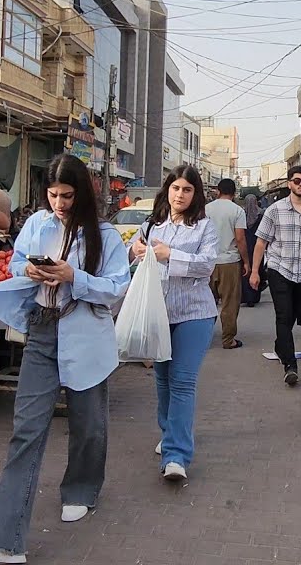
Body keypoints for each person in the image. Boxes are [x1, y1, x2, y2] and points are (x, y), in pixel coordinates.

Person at [0, 155, 130, 565]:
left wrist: (74, 276)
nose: (59, 202)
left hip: (86, 332)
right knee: (26, 431)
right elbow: (14, 264)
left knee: (89, 425)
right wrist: (30, 270)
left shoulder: (106, 235)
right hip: (42, 332)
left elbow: (116, 288)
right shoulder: (36, 226)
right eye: (53, 194)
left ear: (82, 194)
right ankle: (6, 540)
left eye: (68, 195)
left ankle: (81, 489)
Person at [129, 165, 218, 483]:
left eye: (187, 190)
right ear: (167, 189)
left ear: (196, 195)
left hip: (195, 313)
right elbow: (131, 252)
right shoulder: (152, 224)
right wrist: (136, 249)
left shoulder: (205, 227)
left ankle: (177, 455)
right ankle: (169, 434)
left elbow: (207, 265)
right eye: (176, 188)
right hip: (158, 313)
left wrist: (171, 254)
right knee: (163, 380)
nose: (180, 195)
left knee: (182, 382)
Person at [249, 166, 301, 387]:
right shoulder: (274, 210)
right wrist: (255, 272)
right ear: (289, 184)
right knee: (284, 315)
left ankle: (280, 346)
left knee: (292, 316)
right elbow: (261, 242)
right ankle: (290, 366)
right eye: (297, 181)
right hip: (279, 269)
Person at [204, 178, 249, 349]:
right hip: (229, 262)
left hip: (207, 262)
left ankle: (204, 338)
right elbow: (240, 238)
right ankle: (228, 339)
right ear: (234, 193)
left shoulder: (206, 209)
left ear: (217, 191)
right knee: (229, 303)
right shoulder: (237, 211)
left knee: (206, 302)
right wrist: (246, 262)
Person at [240, 194, 263, 307]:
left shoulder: (241, 215)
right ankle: (255, 295)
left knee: (246, 271)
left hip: (245, 246)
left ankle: (246, 297)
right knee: (257, 270)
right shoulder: (261, 215)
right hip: (258, 246)